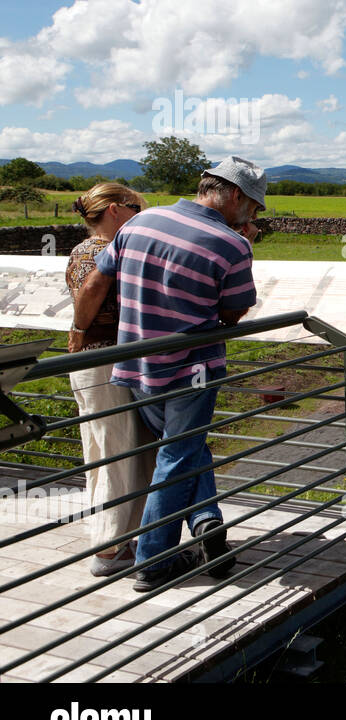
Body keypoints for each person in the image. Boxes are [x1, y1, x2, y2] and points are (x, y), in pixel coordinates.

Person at [75, 157, 263, 592]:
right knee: (177, 459)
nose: (252, 216)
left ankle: (205, 520)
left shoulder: (141, 222)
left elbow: (97, 284)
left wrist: (79, 330)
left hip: (136, 365)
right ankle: (154, 561)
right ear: (235, 195)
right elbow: (233, 311)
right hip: (190, 371)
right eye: (253, 206)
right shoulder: (232, 245)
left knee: (182, 450)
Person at [65, 183, 155, 577]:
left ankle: (114, 536)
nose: (142, 214)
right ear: (116, 211)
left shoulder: (82, 250)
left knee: (104, 452)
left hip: (93, 364)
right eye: (137, 207)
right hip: (106, 363)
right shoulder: (103, 251)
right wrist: (79, 326)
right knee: (120, 452)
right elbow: (92, 290)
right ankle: (111, 547)